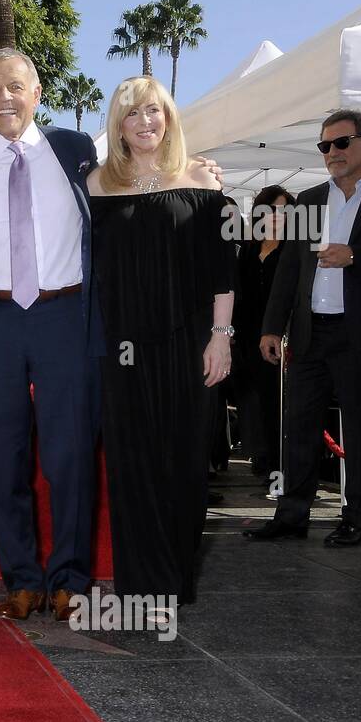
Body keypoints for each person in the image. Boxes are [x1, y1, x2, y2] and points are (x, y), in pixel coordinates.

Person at [0, 47, 101, 623]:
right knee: (5, 464)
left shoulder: (76, 151)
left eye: (15, 86)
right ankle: (22, 582)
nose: (4, 98)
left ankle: (71, 581)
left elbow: (131, 189)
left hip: (65, 318)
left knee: (70, 458)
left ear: (36, 93)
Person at [246, 109, 361, 547]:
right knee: (298, 425)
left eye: (340, 143)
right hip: (310, 332)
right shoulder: (308, 200)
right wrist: (272, 326)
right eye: (324, 146)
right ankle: (291, 515)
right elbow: (289, 268)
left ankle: (358, 519)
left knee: (360, 430)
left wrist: (356, 255)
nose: (332, 153)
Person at [87, 75, 233, 606]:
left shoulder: (201, 178)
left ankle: (175, 579)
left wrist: (221, 336)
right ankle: (140, 585)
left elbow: (223, 269)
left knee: (186, 458)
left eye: (153, 112)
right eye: (132, 114)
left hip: (189, 339)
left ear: (168, 117)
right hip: (122, 344)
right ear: (118, 126)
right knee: (132, 462)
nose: (145, 123)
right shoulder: (97, 184)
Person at [234, 185, 293, 481]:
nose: (275, 216)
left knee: (278, 404)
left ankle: (280, 466)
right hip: (247, 336)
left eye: (282, 210)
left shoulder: (295, 248)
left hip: (282, 338)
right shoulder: (248, 248)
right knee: (254, 401)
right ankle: (263, 457)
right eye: (269, 209)